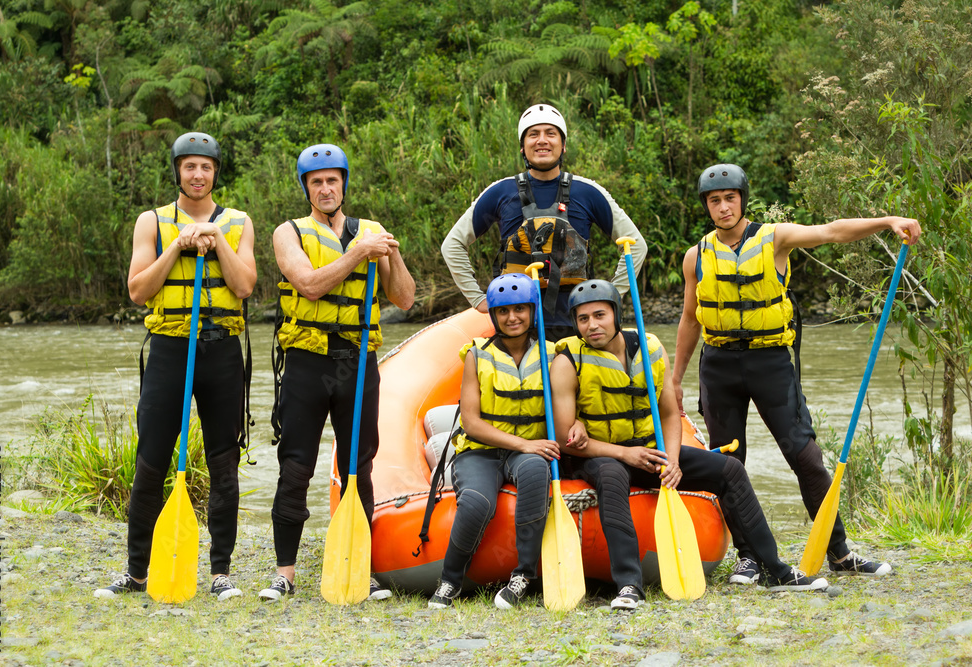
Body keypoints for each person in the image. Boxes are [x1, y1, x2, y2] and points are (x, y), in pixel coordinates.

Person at [673, 164, 920, 583]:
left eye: (729, 197)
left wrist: (888, 221)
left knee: (804, 456)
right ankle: (748, 556)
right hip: (718, 365)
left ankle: (839, 553)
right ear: (707, 207)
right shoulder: (696, 256)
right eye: (714, 201)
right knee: (728, 461)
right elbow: (689, 319)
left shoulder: (775, 239)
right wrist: (675, 379)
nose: (723, 206)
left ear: (742, 199)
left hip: (769, 362)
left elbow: (832, 231)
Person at [550, 280, 829, 602]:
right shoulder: (567, 361)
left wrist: (672, 460)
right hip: (598, 454)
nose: (592, 325)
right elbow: (564, 438)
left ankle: (773, 568)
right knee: (611, 477)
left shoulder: (650, 348)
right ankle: (629, 584)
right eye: (583, 319)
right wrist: (626, 455)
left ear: (616, 314)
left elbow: (670, 415)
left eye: (599, 315)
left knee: (729, 470)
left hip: (646, 448)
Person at [96, 131, 257, 601]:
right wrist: (179, 246)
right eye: (189, 166)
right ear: (177, 172)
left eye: (206, 167)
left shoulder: (238, 221)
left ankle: (221, 572)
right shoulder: (152, 221)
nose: (198, 175)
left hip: (221, 350)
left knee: (224, 463)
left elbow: (245, 285)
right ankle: (136, 571)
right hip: (169, 348)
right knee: (151, 462)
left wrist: (214, 242)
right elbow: (138, 290)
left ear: (215, 173)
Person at [260, 144, 415, 602]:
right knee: (296, 467)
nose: (326, 189)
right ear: (306, 188)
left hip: (356, 362)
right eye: (316, 182)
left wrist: (389, 252)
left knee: (358, 467)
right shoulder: (288, 233)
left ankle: (358, 565)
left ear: (344, 183)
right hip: (308, 363)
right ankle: (284, 573)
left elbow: (404, 299)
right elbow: (307, 285)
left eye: (333, 180)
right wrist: (358, 253)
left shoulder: (371, 231)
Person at [427, 274, 588, 609]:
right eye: (503, 311)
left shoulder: (552, 355)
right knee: (476, 502)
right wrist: (524, 444)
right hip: (481, 452)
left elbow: (572, 403)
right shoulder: (476, 354)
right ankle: (450, 580)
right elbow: (471, 422)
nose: (512, 318)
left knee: (535, 471)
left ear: (532, 312)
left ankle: (523, 576)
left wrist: (580, 423)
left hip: (526, 453)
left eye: (519, 310)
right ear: (494, 316)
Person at [441, 103, 648, 340]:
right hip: (517, 328)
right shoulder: (500, 192)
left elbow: (637, 245)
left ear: (563, 145)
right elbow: (452, 245)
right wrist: (478, 299)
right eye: (533, 134)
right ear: (522, 147)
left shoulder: (589, 192)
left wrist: (612, 295)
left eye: (551, 134)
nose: (542, 140)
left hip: (575, 325)